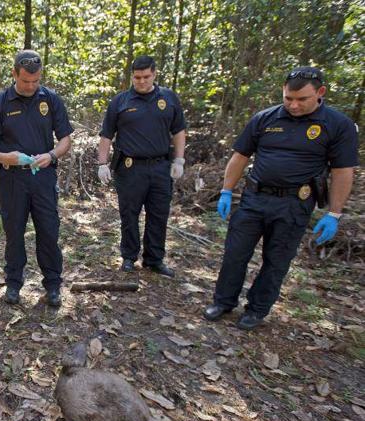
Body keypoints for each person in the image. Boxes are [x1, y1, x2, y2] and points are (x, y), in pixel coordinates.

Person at [203, 67, 358, 330]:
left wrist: (334, 213)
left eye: (302, 99)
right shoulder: (265, 118)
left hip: (294, 204)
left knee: (277, 260)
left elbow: (342, 171)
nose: (294, 105)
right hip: (254, 198)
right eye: (288, 98)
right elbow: (240, 156)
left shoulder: (338, 125)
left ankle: (257, 309)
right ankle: (223, 301)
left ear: (320, 92)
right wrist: (227, 190)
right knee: (235, 253)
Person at [0, 50, 73, 307]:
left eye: (36, 81)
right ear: (14, 74)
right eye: (25, 81)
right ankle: (13, 284)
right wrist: (4, 157)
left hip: (43, 177)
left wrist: (52, 155)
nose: (31, 86)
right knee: (14, 232)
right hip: (12, 180)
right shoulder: (1, 103)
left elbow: (65, 140)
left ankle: (52, 285)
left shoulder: (51, 100)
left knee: (49, 231)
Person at [97, 55, 187, 277]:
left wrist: (179, 159)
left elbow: (178, 131)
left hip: (160, 166)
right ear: (132, 76)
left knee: (158, 214)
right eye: (137, 77)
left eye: (146, 77)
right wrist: (102, 163)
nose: (142, 81)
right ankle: (129, 256)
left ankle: (154, 259)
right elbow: (106, 135)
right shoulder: (120, 101)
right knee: (129, 214)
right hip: (130, 167)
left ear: (154, 74)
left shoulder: (168, 98)